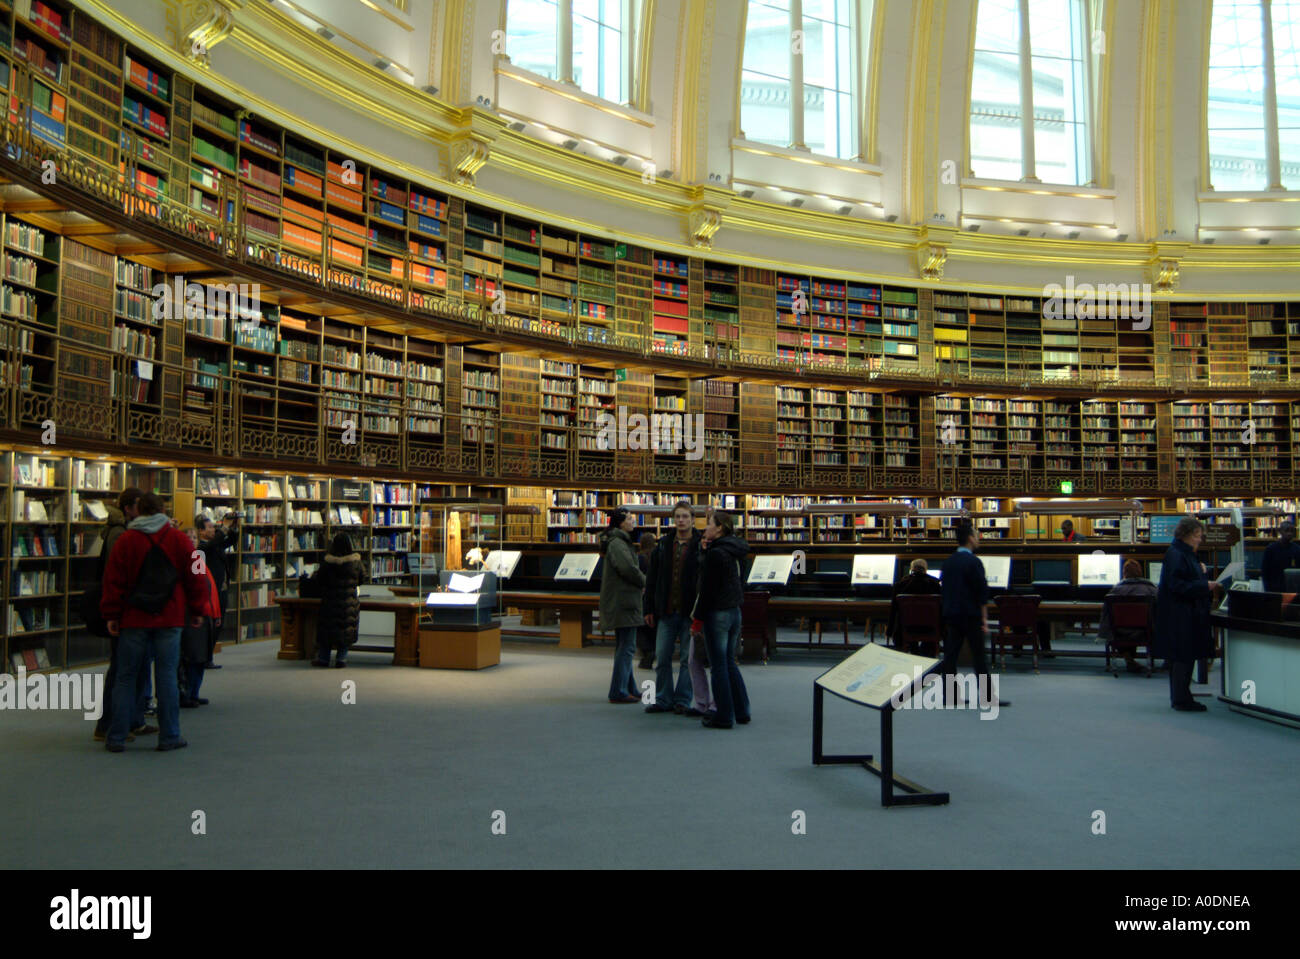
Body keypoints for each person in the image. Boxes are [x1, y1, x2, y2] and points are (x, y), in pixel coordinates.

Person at [99, 492, 208, 752]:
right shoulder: (180, 539)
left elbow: (113, 580)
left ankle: (116, 736)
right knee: (167, 677)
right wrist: (197, 608)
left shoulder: (126, 540)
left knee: (125, 677)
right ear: (161, 510)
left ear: (139, 510)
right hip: (169, 618)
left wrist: (112, 614)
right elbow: (197, 574)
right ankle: (170, 735)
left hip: (133, 617)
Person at [92, 488, 155, 743]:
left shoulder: (125, 531)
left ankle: (134, 719)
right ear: (129, 507)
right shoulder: (120, 534)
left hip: (129, 608)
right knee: (121, 669)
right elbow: (119, 573)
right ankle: (108, 724)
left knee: (134, 668)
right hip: (126, 609)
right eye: (139, 505)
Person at [1154, 517, 1222, 712]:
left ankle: (1182, 696)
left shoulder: (1183, 553)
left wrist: (1200, 574)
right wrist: (1204, 585)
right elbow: (1177, 585)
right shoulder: (1177, 554)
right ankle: (1181, 699)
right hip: (1181, 615)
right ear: (1186, 535)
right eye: (1197, 536)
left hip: (1184, 613)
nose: (1199, 540)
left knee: (1183, 657)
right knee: (1183, 657)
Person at [690, 509, 750, 729]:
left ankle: (724, 715)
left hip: (718, 613)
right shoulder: (736, 550)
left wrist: (697, 619)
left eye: (709, 524)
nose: (705, 528)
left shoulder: (716, 554)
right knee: (730, 664)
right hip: (735, 610)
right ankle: (742, 710)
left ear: (720, 528)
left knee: (718, 666)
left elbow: (707, 589)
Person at [939, 524, 1008, 708]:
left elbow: (944, 589)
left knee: (950, 656)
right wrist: (984, 619)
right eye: (976, 535)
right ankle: (987, 697)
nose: (978, 538)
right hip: (971, 615)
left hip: (952, 615)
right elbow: (981, 592)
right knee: (979, 657)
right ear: (970, 538)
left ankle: (950, 696)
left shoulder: (948, 562)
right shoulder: (974, 562)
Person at [643, 501, 701, 714]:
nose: (681, 520)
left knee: (688, 659)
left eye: (685, 516)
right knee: (662, 655)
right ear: (673, 519)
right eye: (678, 516)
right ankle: (663, 698)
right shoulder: (664, 544)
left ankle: (683, 699)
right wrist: (648, 607)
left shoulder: (700, 545)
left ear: (693, 519)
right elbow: (653, 578)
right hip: (666, 610)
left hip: (689, 611)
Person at [599, 509, 645, 703]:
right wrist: (645, 581)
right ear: (620, 524)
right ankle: (618, 690)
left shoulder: (618, 541)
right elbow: (627, 568)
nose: (633, 521)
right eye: (629, 519)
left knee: (625, 646)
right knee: (626, 647)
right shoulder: (618, 544)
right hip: (624, 601)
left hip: (623, 599)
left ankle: (629, 687)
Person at [180, 527, 222, 706]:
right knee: (191, 657)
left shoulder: (200, 560)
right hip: (193, 615)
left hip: (207, 614)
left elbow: (211, 589)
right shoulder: (185, 561)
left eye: (195, 537)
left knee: (202, 657)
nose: (192, 540)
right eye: (188, 537)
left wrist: (216, 613)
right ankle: (187, 694)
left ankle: (194, 692)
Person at [311, 533, 366, 667]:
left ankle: (324, 658)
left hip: (329, 602)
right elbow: (362, 579)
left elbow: (319, 580)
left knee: (327, 630)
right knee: (345, 630)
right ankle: (341, 658)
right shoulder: (356, 562)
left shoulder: (327, 562)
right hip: (349, 603)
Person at [1097, 559, 1158, 673]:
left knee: (1118, 629)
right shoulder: (1152, 590)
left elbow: (1106, 617)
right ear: (1141, 572)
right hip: (1145, 632)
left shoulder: (1115, 591)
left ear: (1124, 574)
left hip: (1120, 632)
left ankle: (1129, 660)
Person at [195, 512, 236, 668]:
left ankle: (208, 656)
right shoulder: (201, 547)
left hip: (222, 588)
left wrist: (234, 529)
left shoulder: (215, 544)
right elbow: (213, 544)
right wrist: (224, 527)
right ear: (201, 531)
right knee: (210, 625)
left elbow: (230, 541)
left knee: (219, 624)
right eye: (210, 527)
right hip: (210, 592)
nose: (214, 530)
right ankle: (205, 657)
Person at [886, 558, 943, 651]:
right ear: (926, 569)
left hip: (907, 628)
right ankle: (926, 658)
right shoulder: (936, 585)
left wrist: (889, 631)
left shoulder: (900, 585)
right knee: (928, 646)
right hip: (930, 628)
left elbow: (893, 610)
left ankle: (914, 653)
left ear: (911, 569)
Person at [635, 531, 658, 670]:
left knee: (642, 627)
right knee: (654, 625)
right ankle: (654, 649)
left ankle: (646, 653)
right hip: (656, 596)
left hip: (642, 595)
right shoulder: (658, 555)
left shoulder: (639, 558)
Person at [1260, 521, 1300, 592]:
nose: (1289, 534)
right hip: (1274, 588)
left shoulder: (1297, 549)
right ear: (1280, 532)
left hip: (1292, 589)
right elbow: (1265, 571)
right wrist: (1267, 589)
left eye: (1292, 531)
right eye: (1286, 531)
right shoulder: (1271, 549)